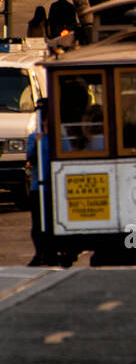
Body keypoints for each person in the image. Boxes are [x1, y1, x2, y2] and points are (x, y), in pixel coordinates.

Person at [26, 103, 57, 267]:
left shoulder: (59, 136)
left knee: (52, 221)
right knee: (37, 224)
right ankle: (39, 253)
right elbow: (30, 158)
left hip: (54, 186)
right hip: (38, 186)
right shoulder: (34, 137)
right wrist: (37, 144)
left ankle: (51, 253)